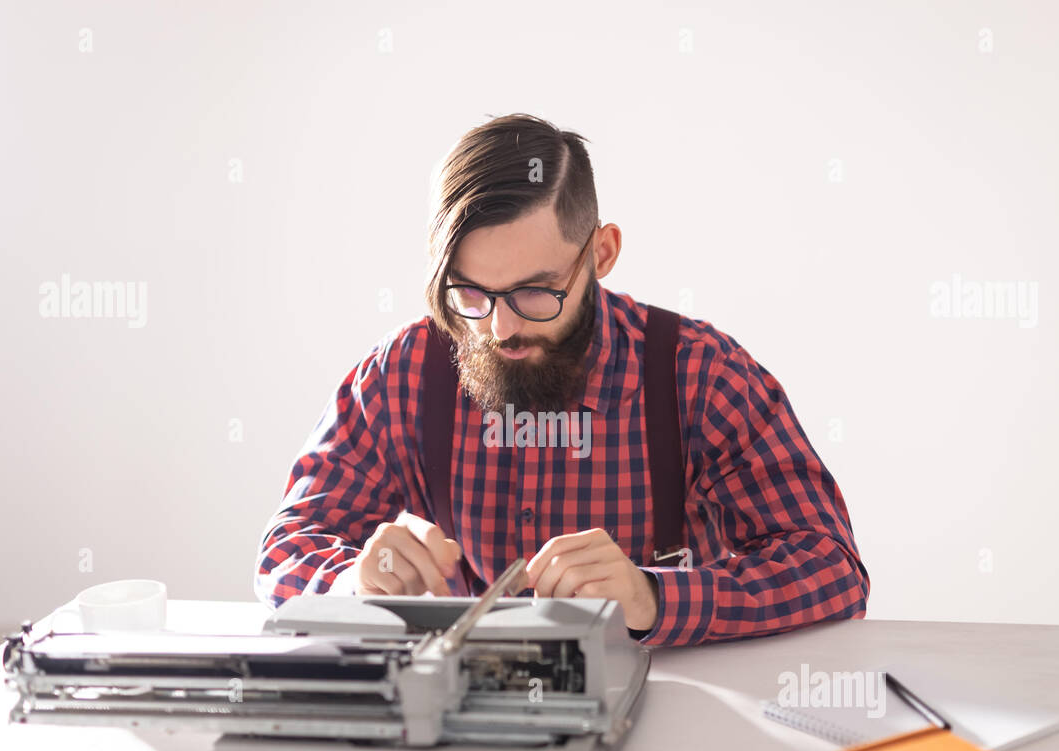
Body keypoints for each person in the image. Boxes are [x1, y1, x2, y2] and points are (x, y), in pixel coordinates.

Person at [254, 113, 869, 646]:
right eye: (471, 291)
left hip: (667, 711)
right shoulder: (404, 373)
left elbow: (832, 568)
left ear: (601, 254)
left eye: (534, 292)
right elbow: (287, 546)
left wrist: (653, 598)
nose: (498, 328)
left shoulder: (699, 374)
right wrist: (350, 580)